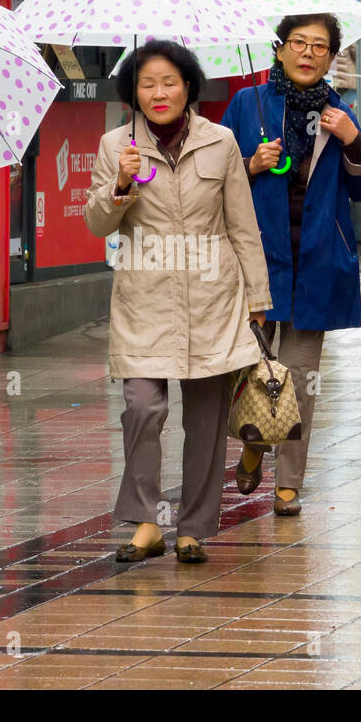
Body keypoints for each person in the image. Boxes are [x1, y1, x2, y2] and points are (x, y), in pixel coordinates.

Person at [85, 40, 271, 564]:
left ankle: (194, 525)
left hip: (214, 297)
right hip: (144, 298)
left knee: (206, 420)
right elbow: (98, 223)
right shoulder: (113, 145)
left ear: (189, 86)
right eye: (147, 84)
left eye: (169, 82)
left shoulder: (221, 142)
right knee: (143, 408)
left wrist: (259, 298)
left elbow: (242, 223)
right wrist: (120, 183)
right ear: (133, 93)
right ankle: (147, 521)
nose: (159, 93)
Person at [220, 14, 361, 516]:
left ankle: (289, 482)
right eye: (298, 43)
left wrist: (353, 141)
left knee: (300, 378)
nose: (308, 53)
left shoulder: (340, 112)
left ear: (332, 58)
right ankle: (252, 441)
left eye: (320, 47)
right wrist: (249, 164)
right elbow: (210, 180)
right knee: (252, 371)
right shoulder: (248, 105)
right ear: (280, 50)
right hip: (257, 263)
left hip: (317, 265)